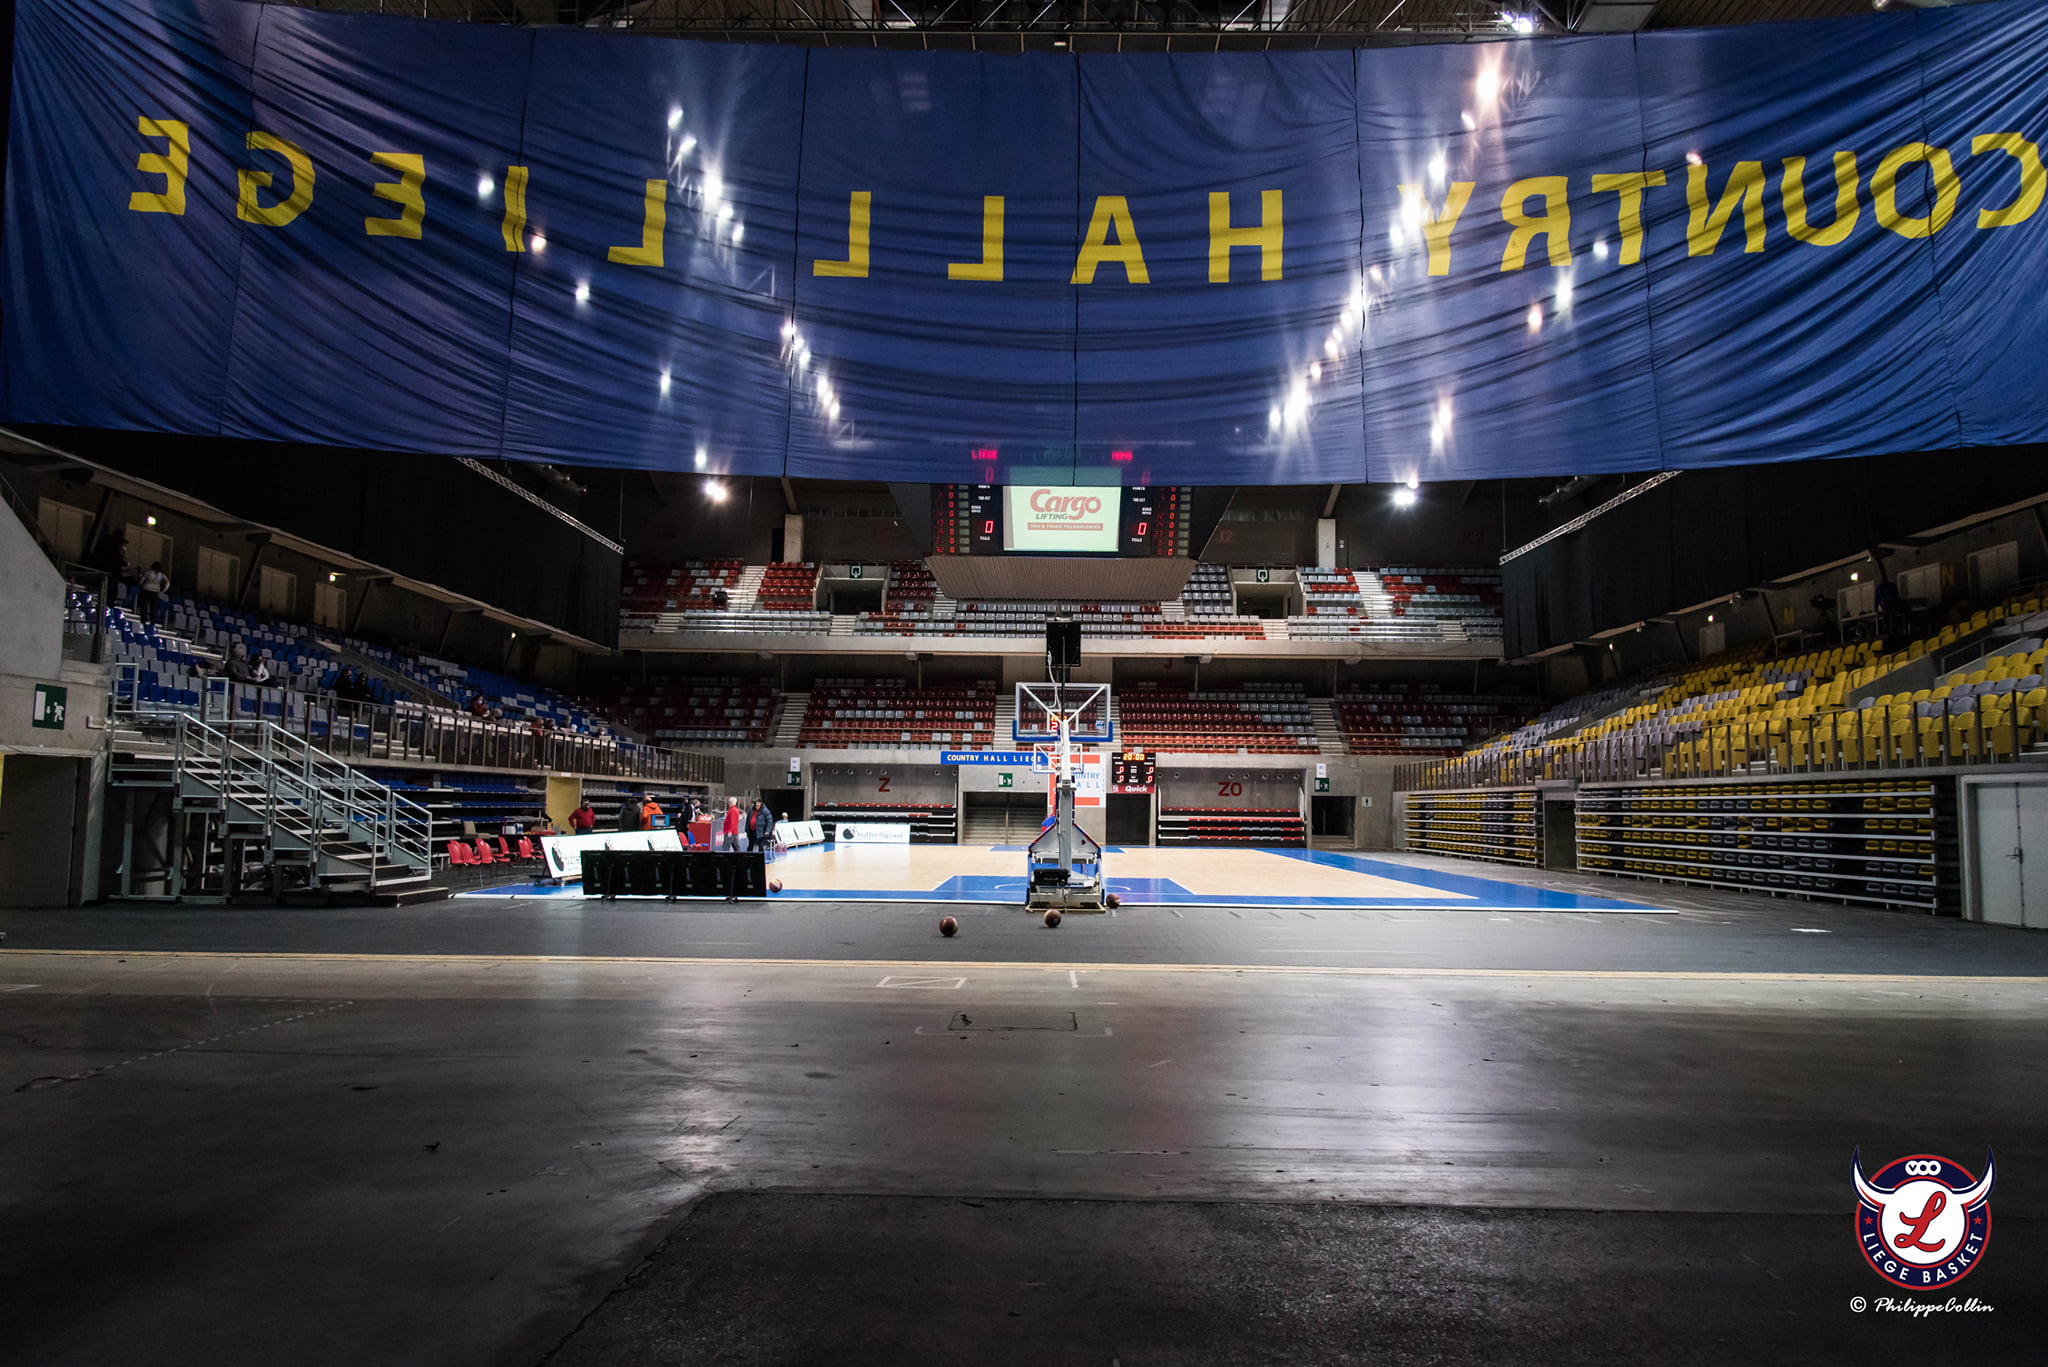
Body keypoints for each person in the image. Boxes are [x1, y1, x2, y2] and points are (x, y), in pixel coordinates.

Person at [138, 561, 169, 626]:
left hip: (146, 590)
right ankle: (152, 622)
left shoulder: (147, 572)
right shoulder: (162, 575)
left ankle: (143, 620)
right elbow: (167, 583)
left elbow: (141, 581)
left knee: (145, 607)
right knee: (153, 608)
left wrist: (141, 585)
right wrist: (162, 590)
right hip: (155, 591)